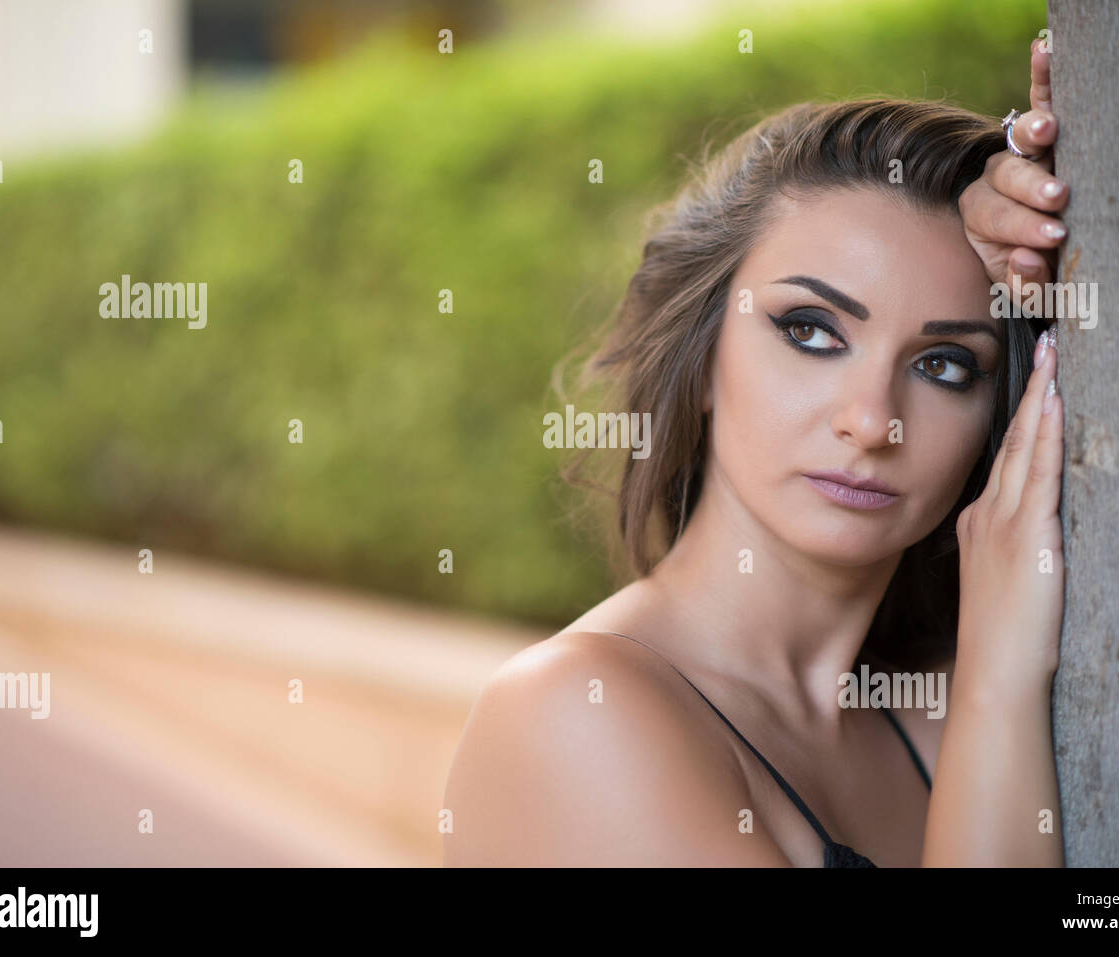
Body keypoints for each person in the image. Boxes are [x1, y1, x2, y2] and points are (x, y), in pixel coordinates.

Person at [443, 38, 1068, 867]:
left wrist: (1063, 207)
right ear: (702, 361)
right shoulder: (571, 710)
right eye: (809, 331)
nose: (872, 421)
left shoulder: (943, 710)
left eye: (943, 364)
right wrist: (997, 679)